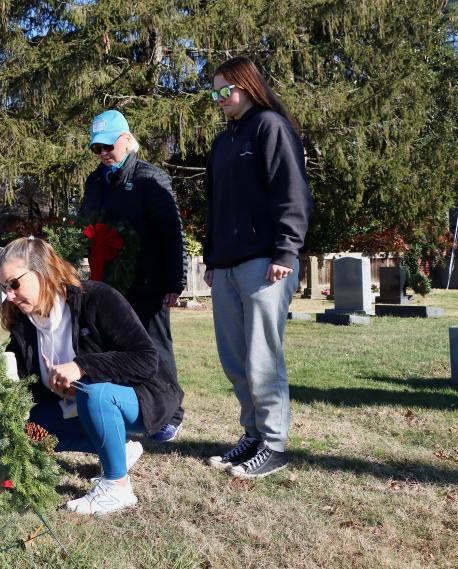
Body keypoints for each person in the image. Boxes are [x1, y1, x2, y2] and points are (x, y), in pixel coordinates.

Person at [0, 236, 182, 515]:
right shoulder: (23, 326)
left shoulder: (97, 298)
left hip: (140, 398)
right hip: (79, 409)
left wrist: (82, 366)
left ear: (43, 271)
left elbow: (146, 359)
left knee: (93, 391)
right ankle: (119, 450)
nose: (9, 296)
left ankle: (118, 487)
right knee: (29, 427)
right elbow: (9, 400)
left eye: (14, 284)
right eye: (4, 287)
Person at [202, 57, 312, 479]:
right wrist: (212, 258)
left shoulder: (270, 127)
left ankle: (274, 444)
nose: (219, 98)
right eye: (214, 92)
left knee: (263, 358)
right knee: (235, 359)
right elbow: (215, 207)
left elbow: (292, 191)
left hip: (266, 262)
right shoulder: (223, 142)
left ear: (247, 86)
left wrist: (286, 252)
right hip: (227, 265)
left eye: (225, 90)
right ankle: (252, 434)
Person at [78, 109, 187, 442]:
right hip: (109, 283)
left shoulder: (150, 178)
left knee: (155, 347)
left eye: (108, 146)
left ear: (126, 140)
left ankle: (172, 413)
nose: (102, 154)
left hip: (148, 282)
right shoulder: (94, 182)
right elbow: (86, 223)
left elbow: (172, 233)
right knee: (117, 346)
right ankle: (132, 407)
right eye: (96, 148)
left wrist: (175, 281)